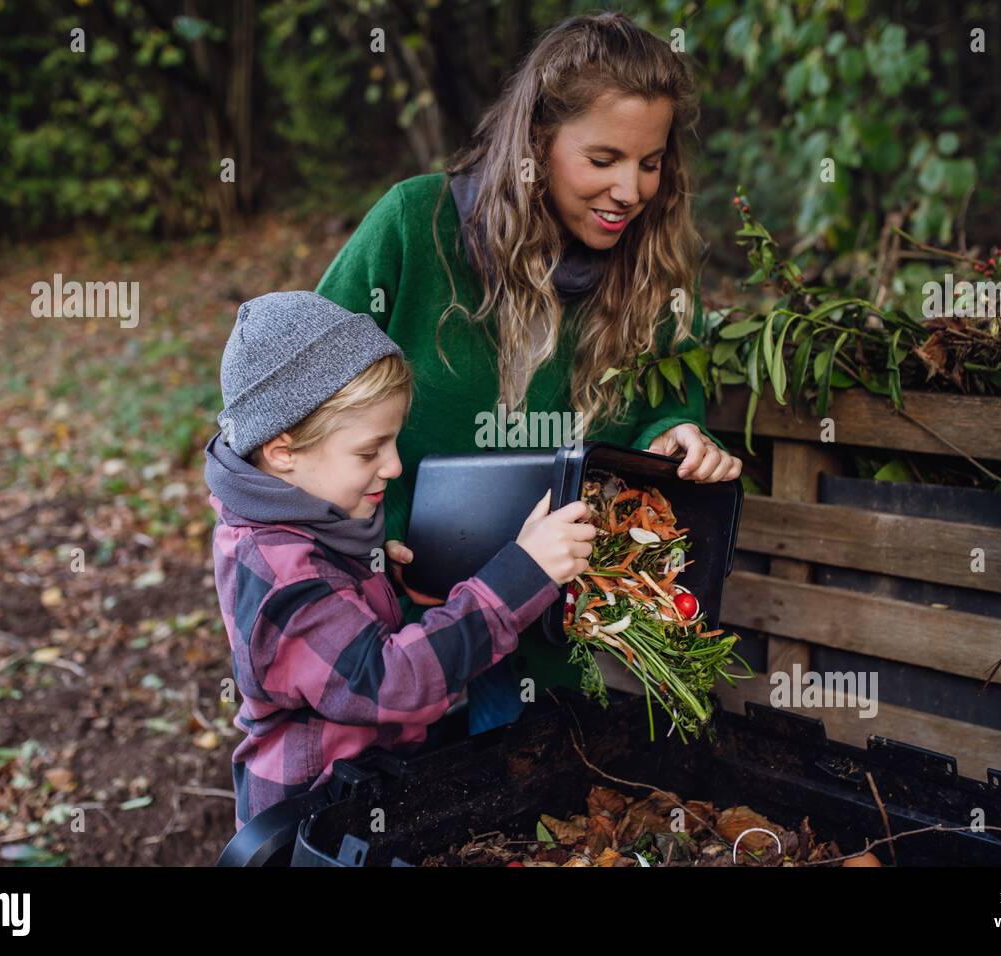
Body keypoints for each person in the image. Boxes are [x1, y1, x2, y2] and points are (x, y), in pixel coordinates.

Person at [314, 11, 743, 734]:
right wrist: (362, 535)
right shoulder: (415, 227)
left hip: (540, 624)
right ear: (537, 142)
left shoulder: (651, 269)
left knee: (507, 800)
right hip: (386, 616)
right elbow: (304, 391)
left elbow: (661, 405)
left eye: (650, 162)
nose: (631, 191)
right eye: (602, 159)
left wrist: (676, 433)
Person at [203, 290, 596, 828]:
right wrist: (521, 576)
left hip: (370, 789)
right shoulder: (278, 571)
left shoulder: (295, 515)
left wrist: (375, 573)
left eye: (393, 442)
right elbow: (391, 682)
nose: (392, 466)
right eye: (370, 451)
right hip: (314, 819)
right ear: (282, 450)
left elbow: (332, 604)